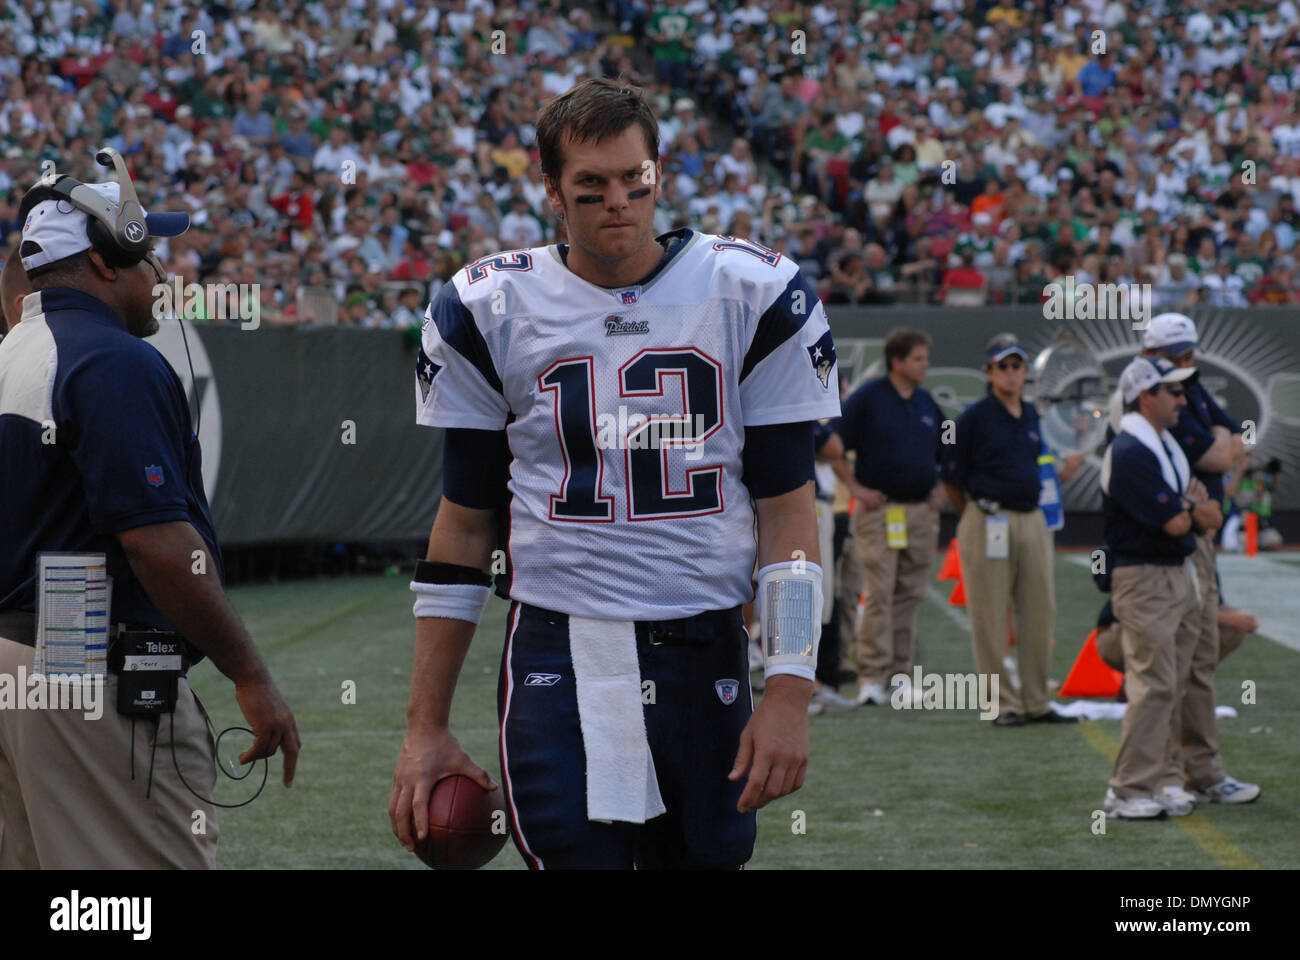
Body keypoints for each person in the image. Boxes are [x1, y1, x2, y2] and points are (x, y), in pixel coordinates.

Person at [388, 78, 840, 869]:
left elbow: (788, 515)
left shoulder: (756, 292)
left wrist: (791, 689)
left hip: (705, 644)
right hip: (560, 647)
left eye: (636, 181)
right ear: (551, 188)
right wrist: (424, 727)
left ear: (659, 171)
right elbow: (464, 524)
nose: (618, 203)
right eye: (591, 186)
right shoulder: (489, 305)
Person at [0, 157, 299, 869]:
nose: (161, 275)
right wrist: (250, 674)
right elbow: (158, 544)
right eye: (149, 254)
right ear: (105, 261)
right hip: (83, 654)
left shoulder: (15, 348)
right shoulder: (110, 360)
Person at [1139, 313, 1259, 805]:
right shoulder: (1153, 403)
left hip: (1199, 541)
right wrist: (1222, 446)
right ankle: (1163, 775)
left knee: (1200, 658)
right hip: (1170, 547)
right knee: (1174, 664)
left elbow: (1237, 443)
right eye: (1176, 357)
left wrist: (1224, 446)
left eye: (1190, 355)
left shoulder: (1189, 387)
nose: (1185, 370)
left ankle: (1200, 771)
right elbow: (1215, 456)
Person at [1098, 356, 1214, 819]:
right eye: (1172, 392)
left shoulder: (1163, 446)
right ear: (1145, 396)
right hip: (1145, 576)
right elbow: (1177, 521)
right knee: (1153, 685)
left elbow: (1209, 517)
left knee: (1174, 682)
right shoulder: (1131, 451)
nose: (1183, 401)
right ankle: (1126, 789)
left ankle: (1164, 777)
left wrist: (1190, 509)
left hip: (1174, 573)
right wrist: (1190, 506)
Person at [940, 333, 1075, 726]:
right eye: (1004, 366)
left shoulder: (1031, 414)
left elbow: (1036, 465)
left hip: (1032, 517)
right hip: (988, 517)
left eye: (1017, 366)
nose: (1012, 373)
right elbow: (952, 477)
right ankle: (1002, 702)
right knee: (988, 612)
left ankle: (1036, 700)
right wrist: (975, 515)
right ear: (989, 372)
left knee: (1039, 610)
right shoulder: (973, 417)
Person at [835, 328, 944, 706]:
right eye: (918, 358)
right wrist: (855, 488)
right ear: (896, 361)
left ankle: (901, 676)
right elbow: (834, 445)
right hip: (879, 511)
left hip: (919, 513)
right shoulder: (868, 399)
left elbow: (949, 448)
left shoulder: (928, 403)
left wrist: (941, 488)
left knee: (909, 595)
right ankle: (871, 676)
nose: (924, 365)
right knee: (880, 593)